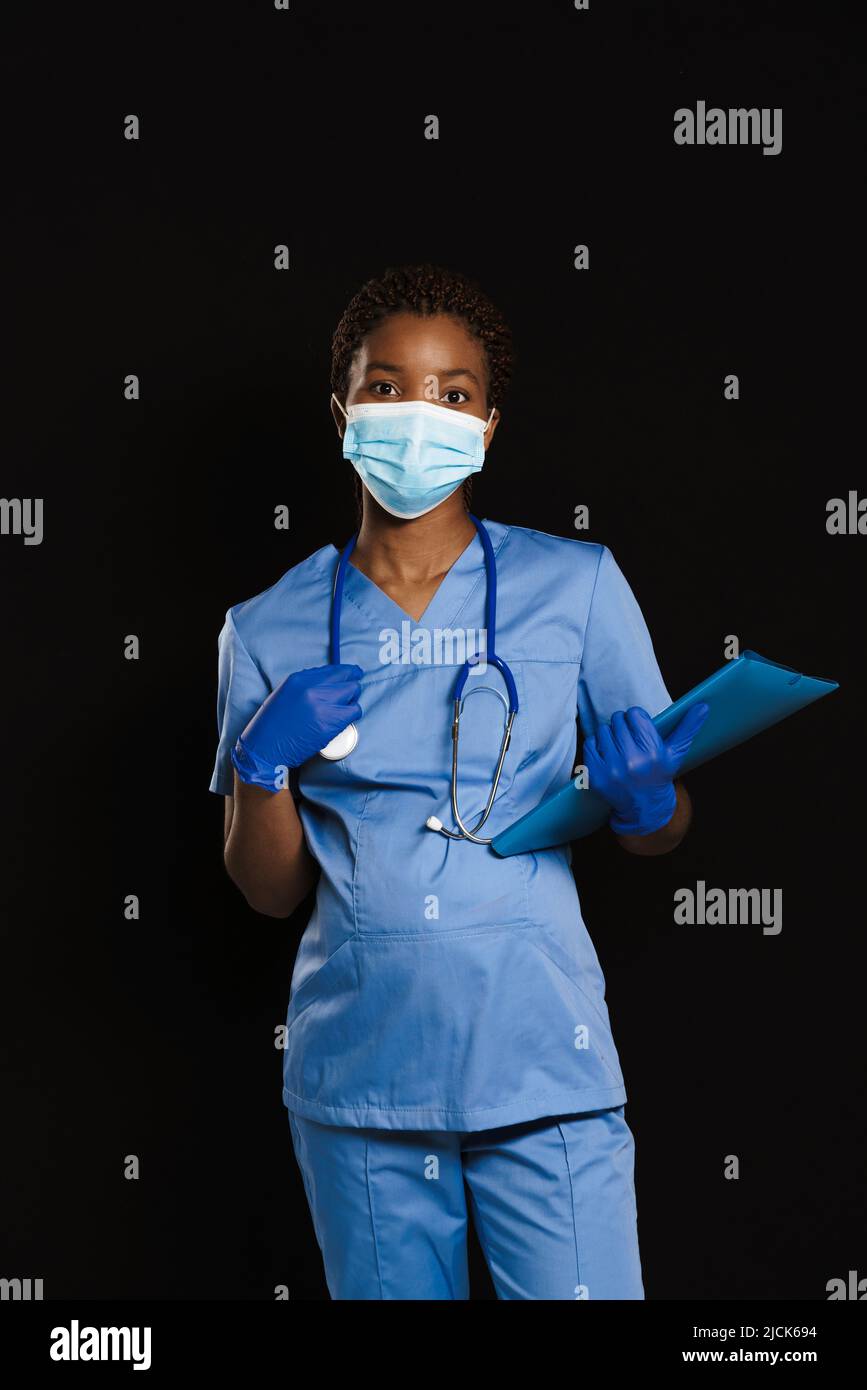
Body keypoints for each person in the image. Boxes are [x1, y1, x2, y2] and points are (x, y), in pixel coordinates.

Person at [208, 263, 708, 1300]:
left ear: (486, 428)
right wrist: (262, 763)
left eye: (454, 393)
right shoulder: (264, 627)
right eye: (386, 386)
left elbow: (658, 833)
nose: (417, 412)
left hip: (542, 1061)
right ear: (343, 411)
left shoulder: (576, 585)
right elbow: (269, 890)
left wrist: (650, 802)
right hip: (361, 1077)